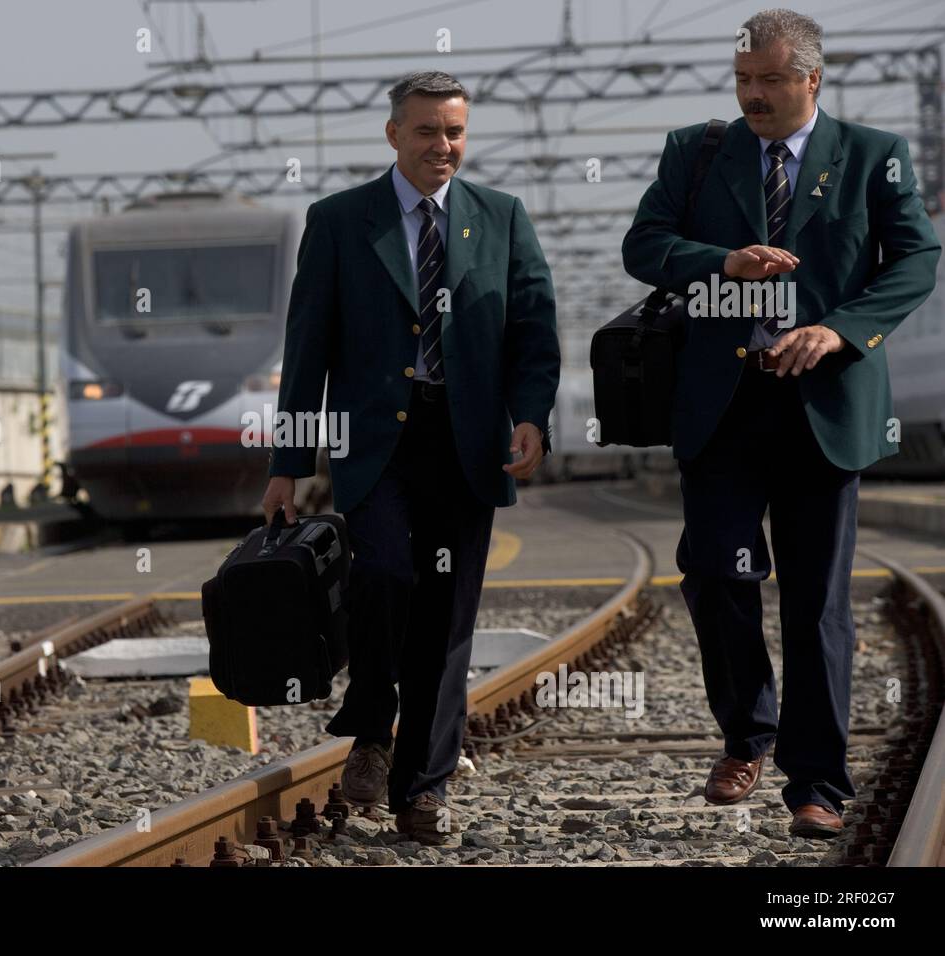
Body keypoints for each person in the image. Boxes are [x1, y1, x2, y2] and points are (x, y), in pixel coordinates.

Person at [622, 8, 940, 838]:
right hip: (722, 409)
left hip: (824, 406)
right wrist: (718, 262)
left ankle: (818, 785)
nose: (752, 94)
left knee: (816, 602)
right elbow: (644, 244)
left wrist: (841, 329)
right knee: (720, 573)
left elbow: (916, 259)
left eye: (768, 79)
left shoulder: (874, 156)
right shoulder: (696, 153)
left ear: (812, 79)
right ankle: (746, 733)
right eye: (742, 80)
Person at [261, 70, 560, 844]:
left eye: (456, 131)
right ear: (394, 135)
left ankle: (420, 792)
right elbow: (307, 352)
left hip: (467, 444)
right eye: (428, 131)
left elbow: (532, 326)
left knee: (446, 620)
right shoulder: (338, 222)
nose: (444, 145)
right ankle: (371, 720)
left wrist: (531, 415)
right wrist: (287, 464)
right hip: (375, 445)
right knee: (386, 574)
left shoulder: (501, 218)